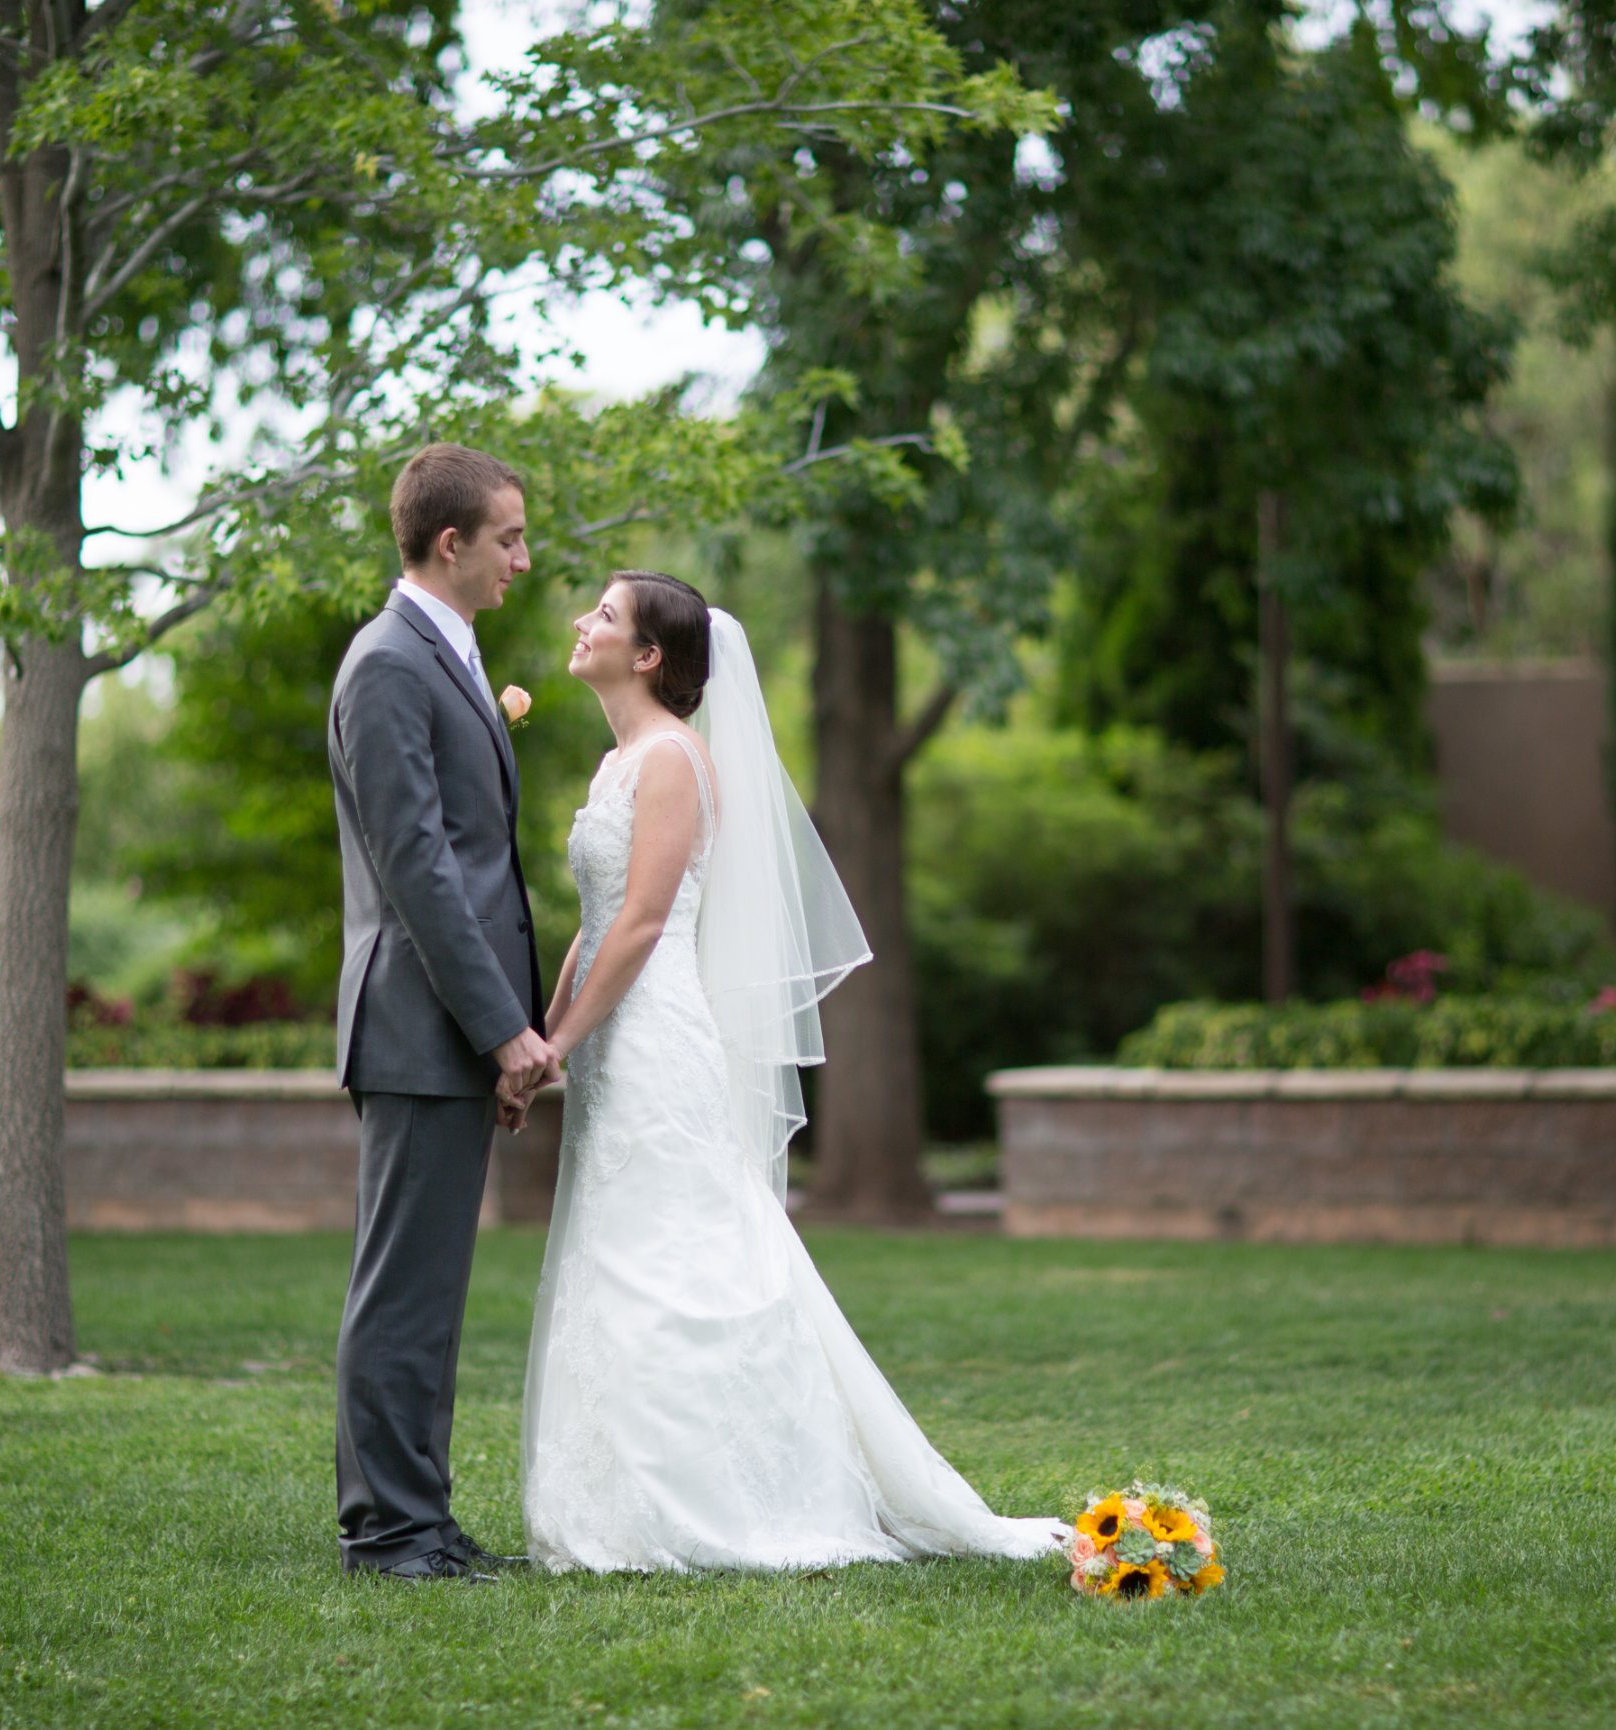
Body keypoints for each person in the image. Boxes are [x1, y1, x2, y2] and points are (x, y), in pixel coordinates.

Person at [517, 568, 1068, 1572]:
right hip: (607, 1032)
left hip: (656, 1033)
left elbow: (643, 923)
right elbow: (596, 926)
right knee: (619, 1247)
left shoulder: (676, 760)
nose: (578, 621)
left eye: (602, 613)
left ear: (648, 655)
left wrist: (563, 1039)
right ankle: (620, 1495)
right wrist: (541, 1036)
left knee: (681, 1254)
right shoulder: (617, 761)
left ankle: (721, 1497)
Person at [327, 443, 554, 1582]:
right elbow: (417, 869)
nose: (526, 556)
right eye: (509, 537)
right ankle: (389, 1530)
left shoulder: (447, 655)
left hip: (448, 1030)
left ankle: (426, 1516)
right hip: (418, 1027)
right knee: (404, 1290)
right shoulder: (386, 663)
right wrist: (502, 1027)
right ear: (451, 543)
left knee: (434, 1291)